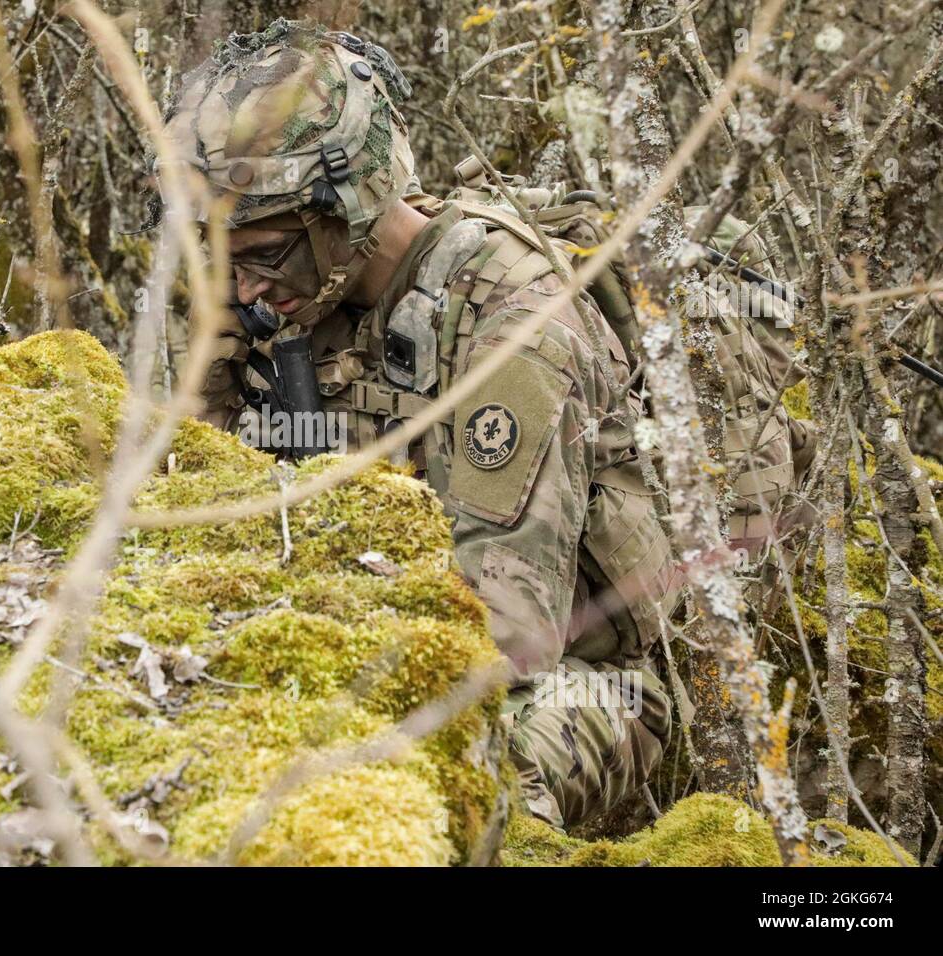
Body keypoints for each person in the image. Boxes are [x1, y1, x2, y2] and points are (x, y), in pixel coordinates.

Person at [155, 19, 804, 828]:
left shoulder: (512, 328)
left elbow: (508, 643)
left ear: (348, 209)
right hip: (365, 630)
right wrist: (203, 405)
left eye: (264, 254)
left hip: (575, 685)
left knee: (472, 792)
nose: (242, 284)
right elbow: (179, 548)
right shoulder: (281, 302)